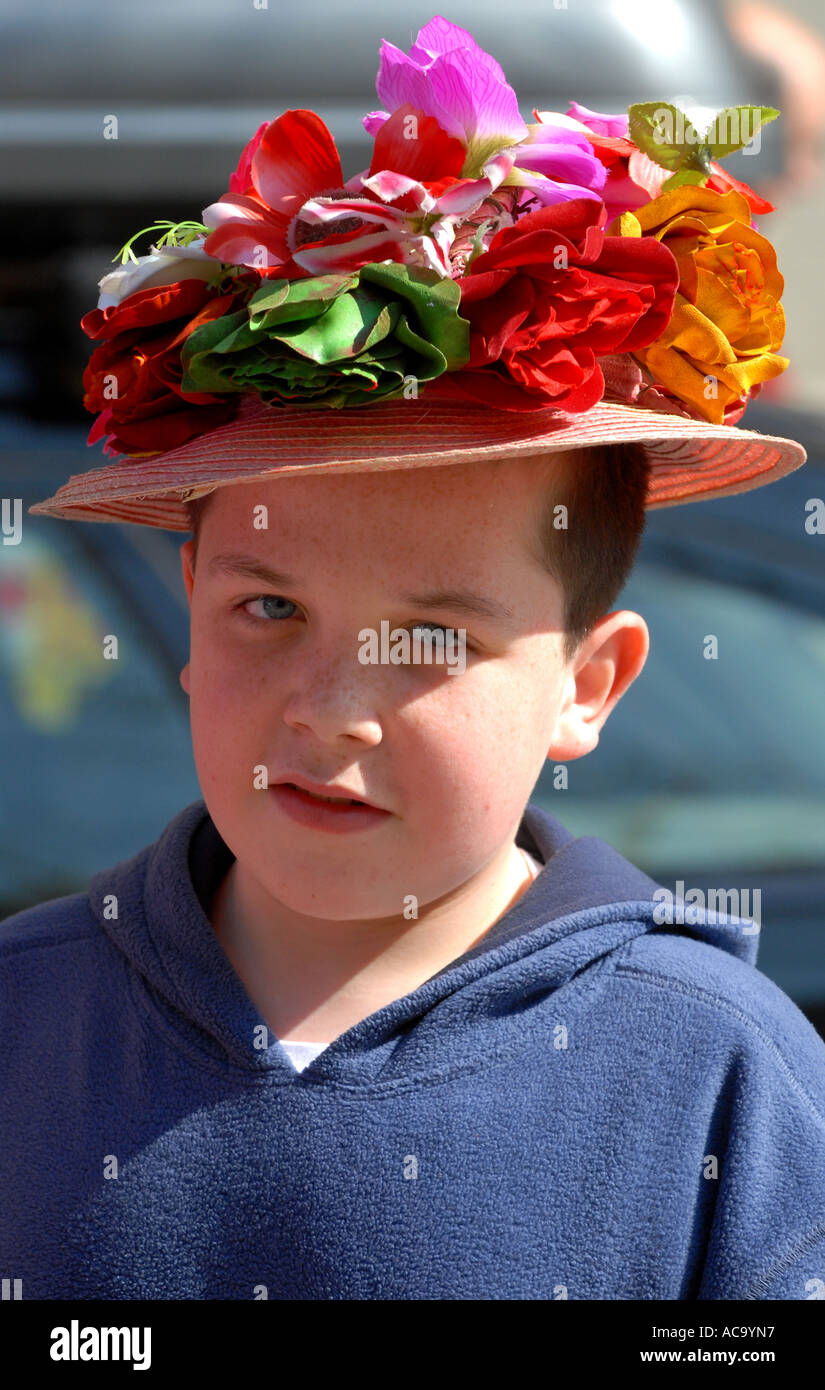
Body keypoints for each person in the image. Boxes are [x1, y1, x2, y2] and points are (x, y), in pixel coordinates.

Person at [4, 15, 825, 1301]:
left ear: (588, 684)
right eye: (268, 610)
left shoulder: (716, 1067)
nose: (330, 712)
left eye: (433, 638)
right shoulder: (25, 1016)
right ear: (187, 598)